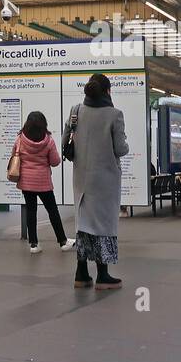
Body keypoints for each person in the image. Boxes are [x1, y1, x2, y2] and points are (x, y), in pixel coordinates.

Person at [65, 72, 128, 289]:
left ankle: (81, 273)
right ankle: (103, 275)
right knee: (103, 224)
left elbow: (66, 141)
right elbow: (121, 148)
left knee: (83, 223)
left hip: (81, 178)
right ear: (108, 91)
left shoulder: (75, 111)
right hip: (105, 180)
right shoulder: (114, 114)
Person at [14, 111, 67, 254]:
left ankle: (34, 244)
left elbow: (15, 155)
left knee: (31, 211)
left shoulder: (20, 139)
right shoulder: (48, 141)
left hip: (26, 182)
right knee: (52, 211)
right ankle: (62, 241)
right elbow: (55, 162)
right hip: (43, 182)